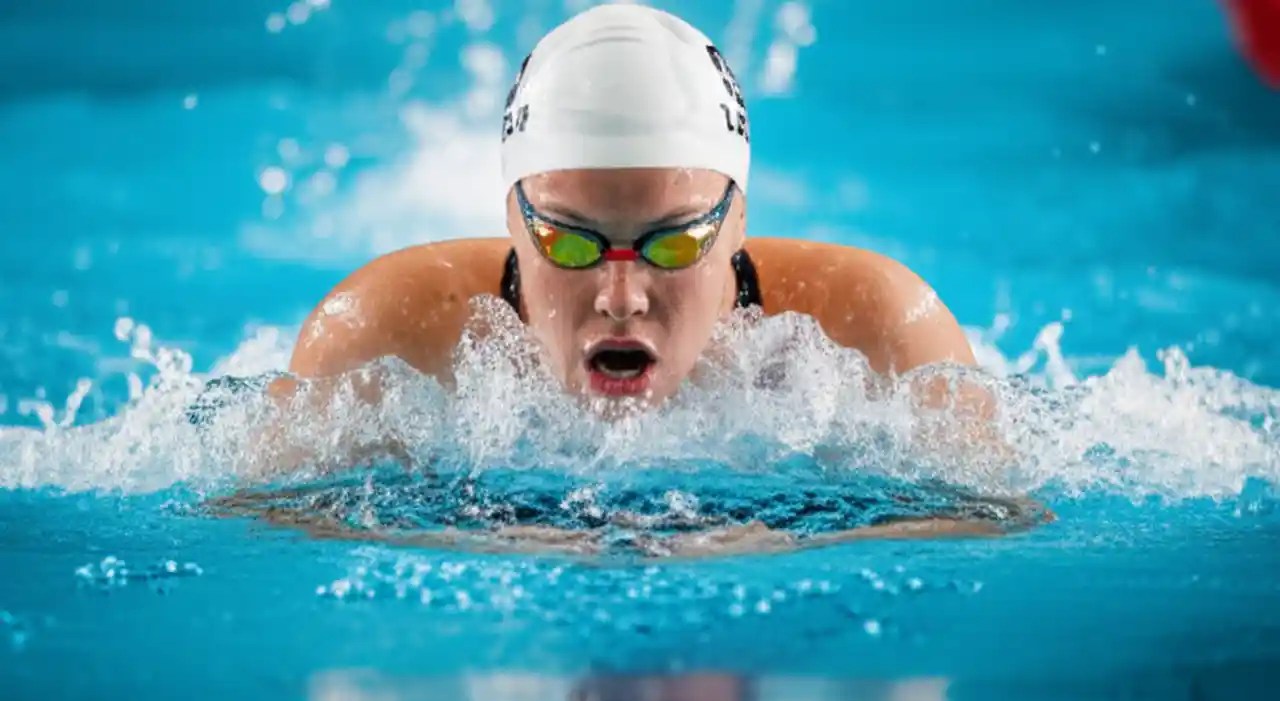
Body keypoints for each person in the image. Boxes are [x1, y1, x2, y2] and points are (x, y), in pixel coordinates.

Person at [279, 4, 976, 409]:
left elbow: (982, 528)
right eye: (570, 243)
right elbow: (267, 530)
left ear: (738, 221)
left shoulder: (880, 336)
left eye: (671, 243)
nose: (619, 298)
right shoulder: (380, 344)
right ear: (512, 222)